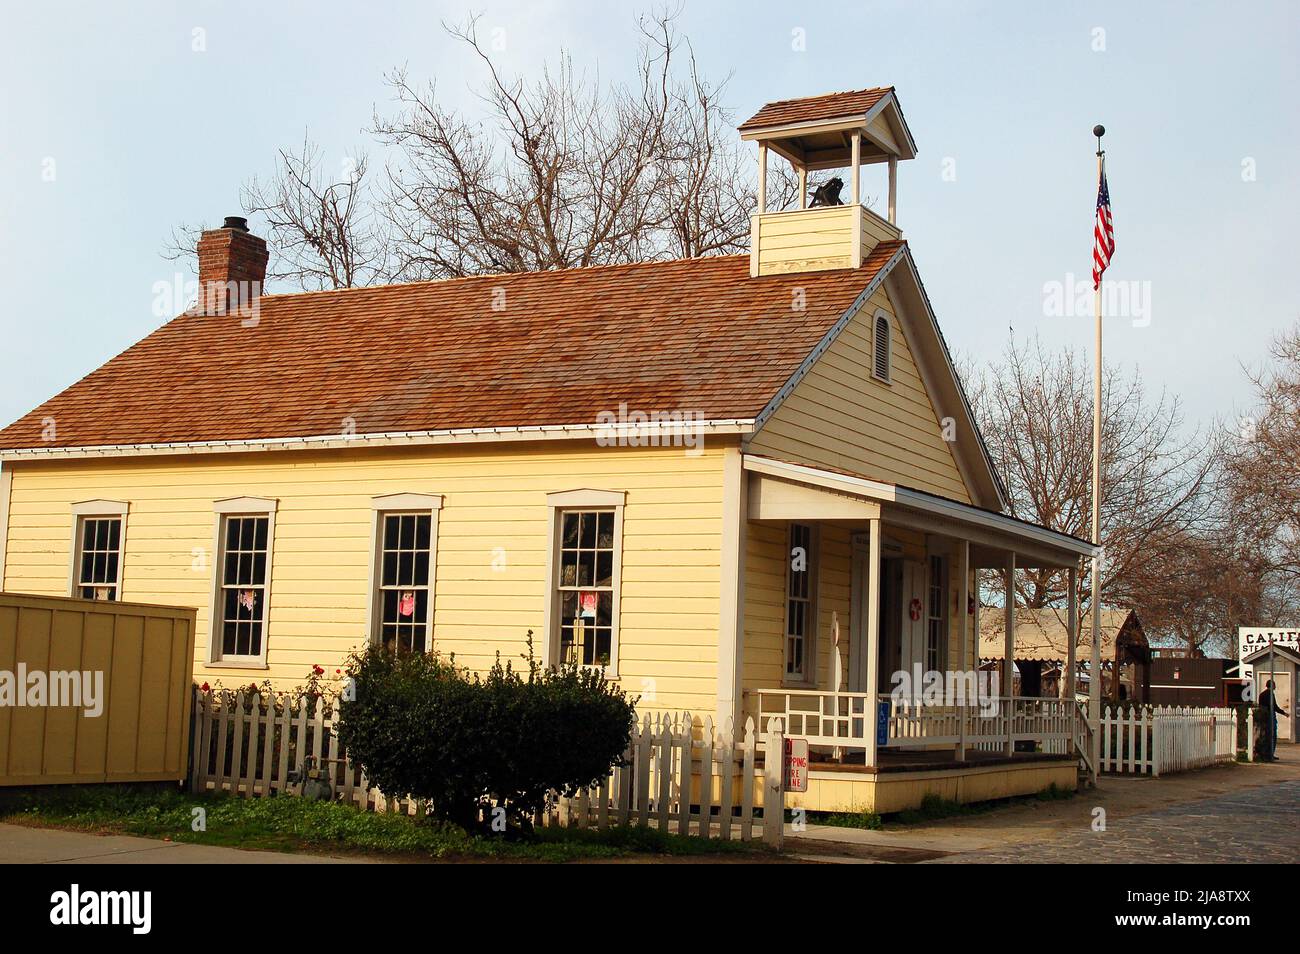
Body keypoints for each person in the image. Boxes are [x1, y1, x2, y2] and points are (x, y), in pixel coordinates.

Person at [1258, 680, 1290, 762]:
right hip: (1270, 716)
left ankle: (1267, 754)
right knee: (1272, 736)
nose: (1275, 686)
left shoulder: (1262, 694)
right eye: (1274, 685)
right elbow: (1274, 706)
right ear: (1272, 685)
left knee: (1266, 735)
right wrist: (1284, 713)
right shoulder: (1270, 694)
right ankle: (1269, 754)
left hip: (1264, 717)